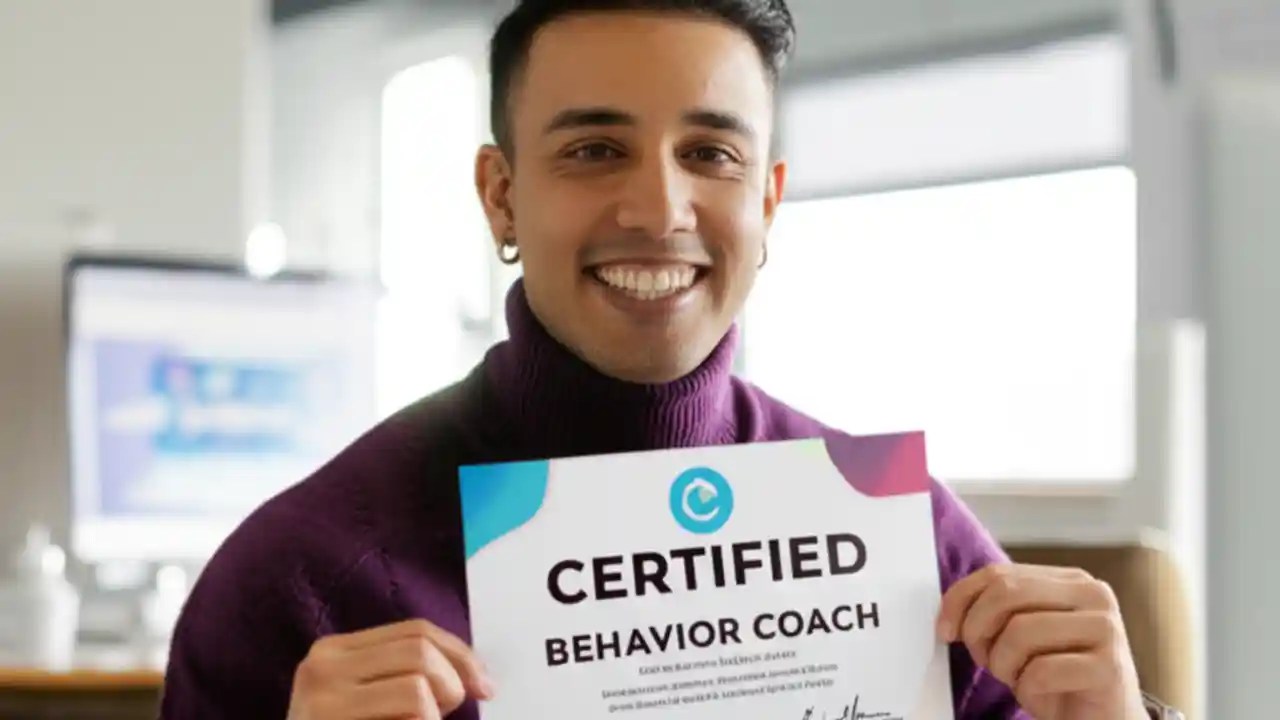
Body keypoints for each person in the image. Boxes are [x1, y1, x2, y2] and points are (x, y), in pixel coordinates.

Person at [159, 1, 1175, 718]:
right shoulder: (301, 584)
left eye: (710, 153)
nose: (657, 209)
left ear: (767, 200)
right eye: (593, 150)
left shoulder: (906, 537)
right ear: (500, 196)